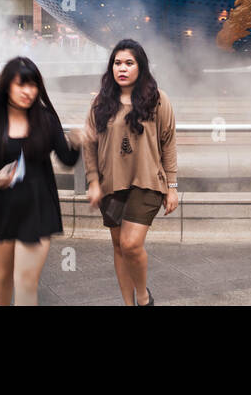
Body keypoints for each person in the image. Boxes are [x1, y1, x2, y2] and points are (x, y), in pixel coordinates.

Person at [0, 56, 81, 306]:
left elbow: (67, 159)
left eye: (33, 85)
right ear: (7, 86)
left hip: (37, 210)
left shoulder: (46, 119)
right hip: (1, 210)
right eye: (21, 85)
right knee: (2, 279)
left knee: (26, 281)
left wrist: (78, 143)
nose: (28, 92)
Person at [83, 39, 178, 306]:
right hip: (110, 183)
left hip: (147, 182)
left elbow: (168, 142)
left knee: (131, 244)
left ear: (141, 67)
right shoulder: (101, 103)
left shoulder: (158, 100)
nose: (121, 68)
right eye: (117, 63)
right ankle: (128, 303)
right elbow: (89, 144)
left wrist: (172, 186)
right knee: (118, 246)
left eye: (129, 63)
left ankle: (143, 297)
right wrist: (92, 181)